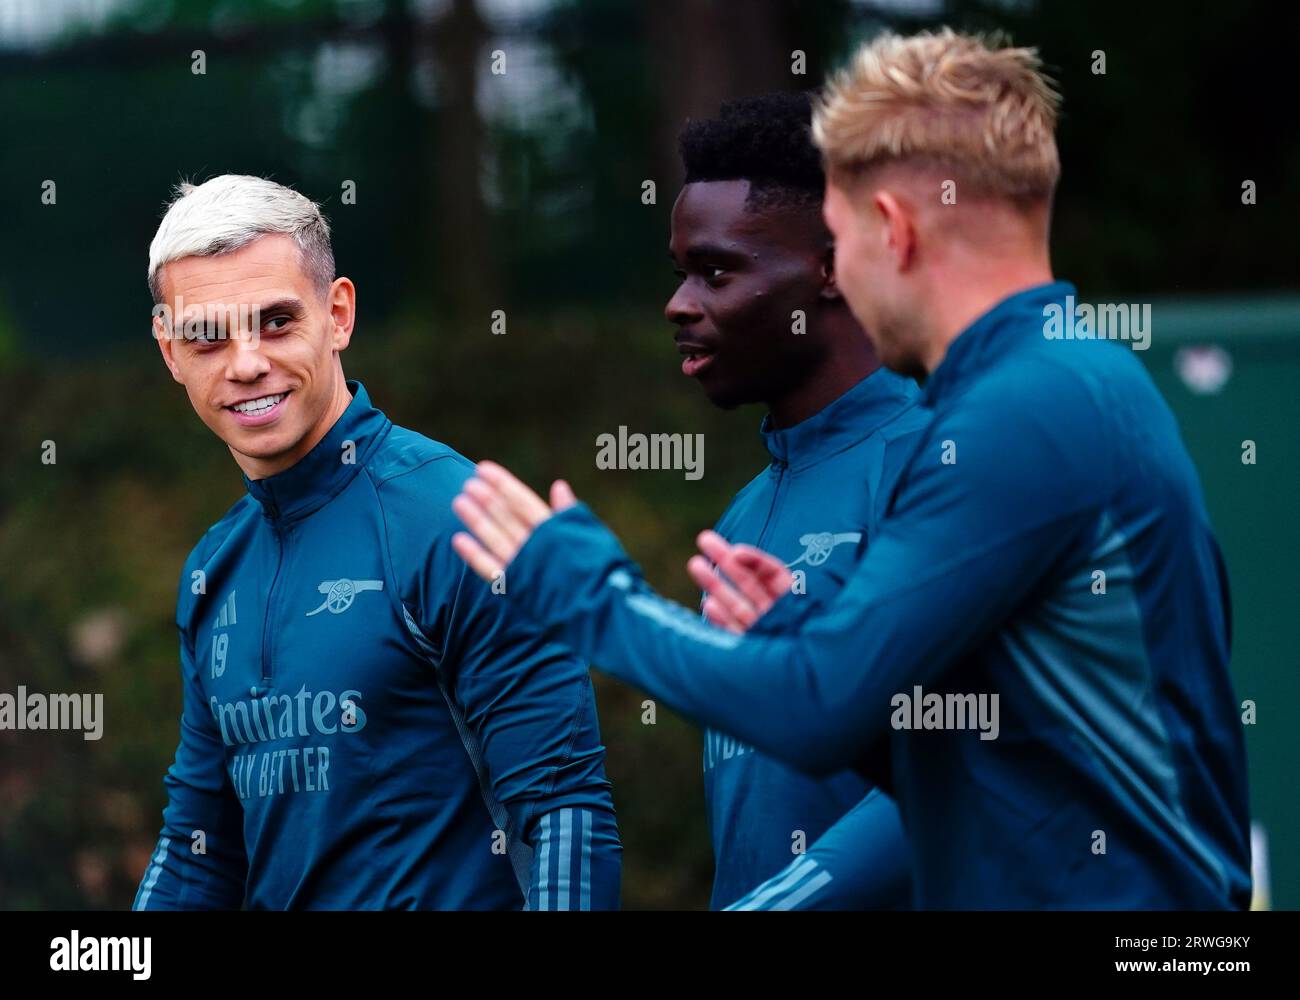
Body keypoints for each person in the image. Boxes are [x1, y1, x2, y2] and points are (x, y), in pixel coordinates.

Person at [450, 30, 1252, 909]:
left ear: (889, 232)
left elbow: (814, 706)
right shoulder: (1066, 385)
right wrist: (811, 641)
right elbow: (1008, 764)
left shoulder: (1025, 413)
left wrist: (586, 591)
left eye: (837, 232)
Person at [135, 174, 620, 910]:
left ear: (338, 315)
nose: (245, 364)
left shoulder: (460, 521)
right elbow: (200, 853)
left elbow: (564, 814)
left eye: (274, 321)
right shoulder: (213, 568)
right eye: (208, 335)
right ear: (170, 352)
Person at [665, 92, 923, 909]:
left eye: (716, 272)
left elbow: (969, 761)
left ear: (831, 269)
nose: (679, 305)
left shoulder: (937, 465)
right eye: (681, 274)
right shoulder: (744, 514)